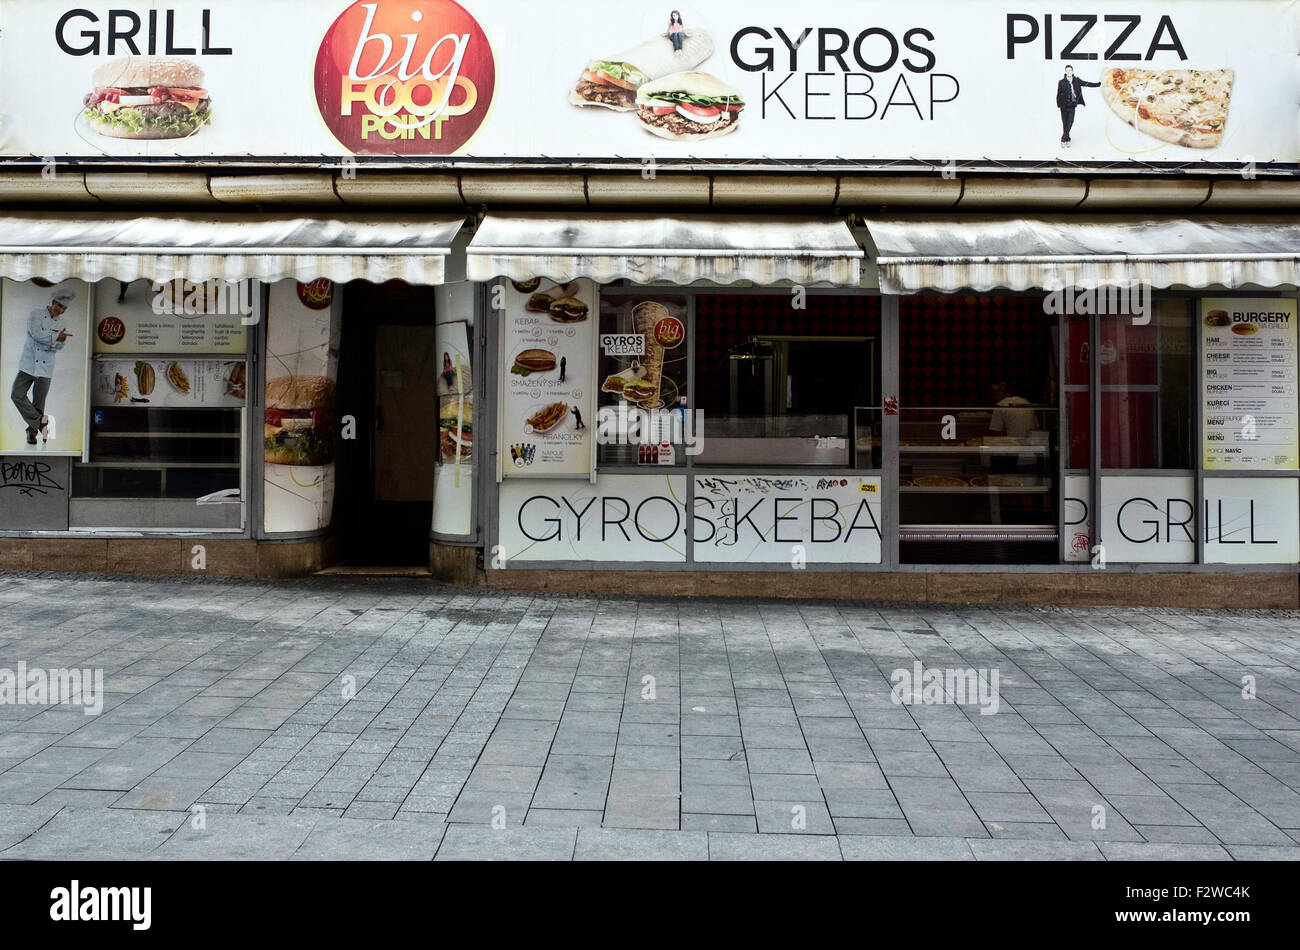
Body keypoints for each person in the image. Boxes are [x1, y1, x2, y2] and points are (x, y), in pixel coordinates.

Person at [12, 290, 73, 445]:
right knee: (16, 394)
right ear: (53, 302)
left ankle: (31, 434)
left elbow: (60, 345)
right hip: (28, 364)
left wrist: (54, 341)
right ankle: (41, 422)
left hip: (46, 368)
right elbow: (35, 334)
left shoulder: (62, 323)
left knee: (39, 402)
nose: (59, 310)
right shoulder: (35, 315)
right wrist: (54, 338)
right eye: (58, 305)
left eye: (63, 308)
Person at [1056, 65, 1100, 147]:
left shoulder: (1077, 80)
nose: (1069, 72)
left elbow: (1087, 83)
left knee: (1070, 122)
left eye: (1070, 70)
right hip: (1064, 106)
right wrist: (1059, 104)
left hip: (1072, 105)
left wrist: (1097, 84)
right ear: (1065, 72)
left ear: (1072, 71)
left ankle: (1063, 139)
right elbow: (1058, 94)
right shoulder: (1061, 82)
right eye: (1067, 70)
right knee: (1064, 123)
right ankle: (1067, 138)